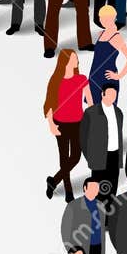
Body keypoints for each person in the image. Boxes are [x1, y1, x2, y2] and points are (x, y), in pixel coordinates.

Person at [43, 49, 88, 201]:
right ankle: (69, 193)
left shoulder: (82, 79)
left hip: (77, 123)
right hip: (60, 123)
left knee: (75, 156)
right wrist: (50, 124)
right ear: (66, 61)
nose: (77, 61)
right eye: (75, 58)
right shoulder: (56, 80)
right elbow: (49, 103)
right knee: (64, 157)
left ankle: (54, 181)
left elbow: (90, 102)